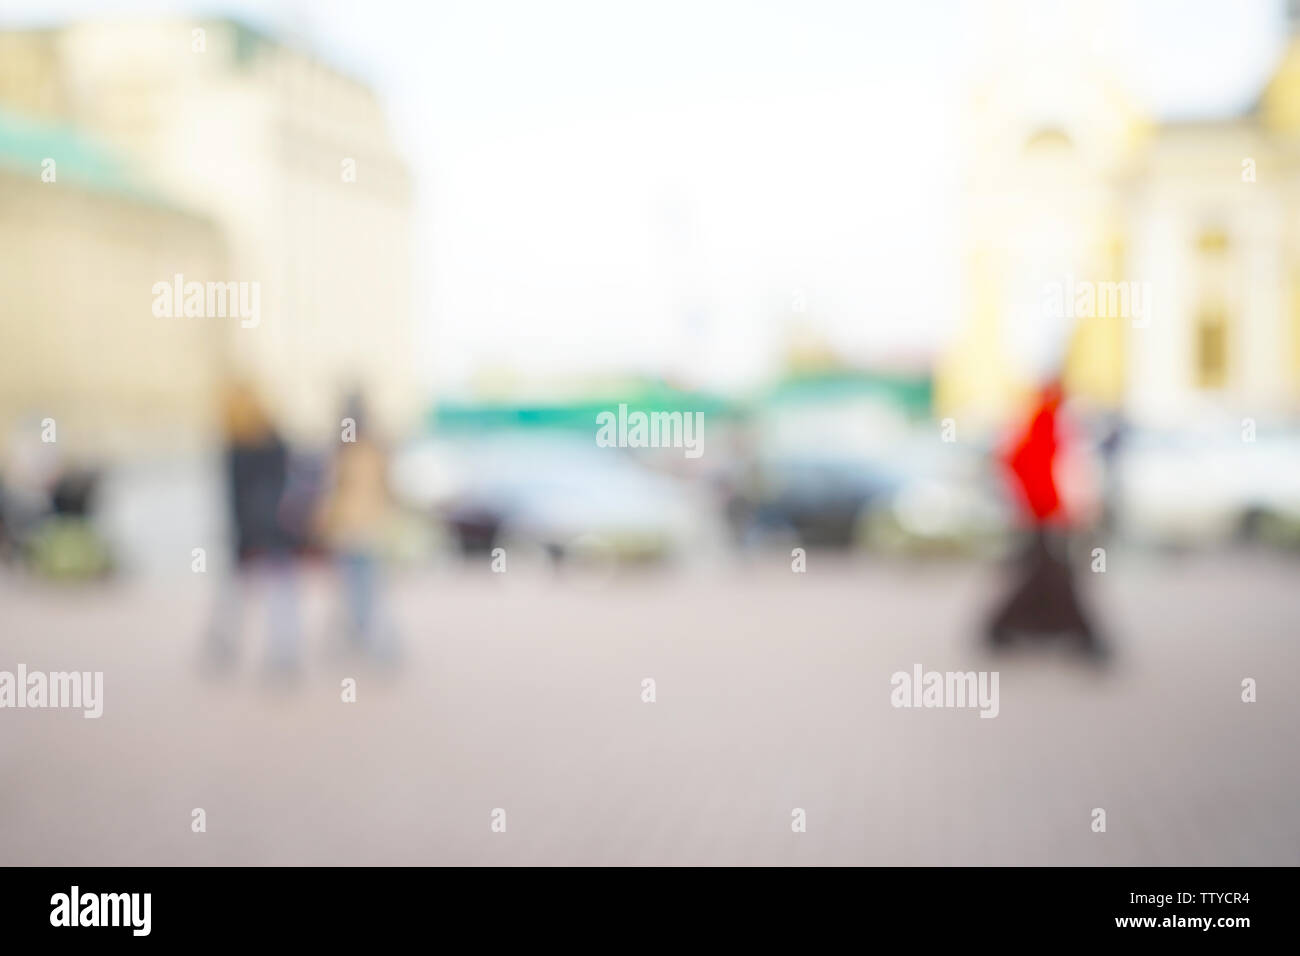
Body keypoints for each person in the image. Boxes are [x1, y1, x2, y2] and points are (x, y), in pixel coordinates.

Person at [985, 379, 1108, 660]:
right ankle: (1082, 637)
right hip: (1046, 517)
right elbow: (1044, 469)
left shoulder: (1044, 422)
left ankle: (1013, 629)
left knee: (1047, 574)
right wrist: (1057, 509)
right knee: (1053, 574)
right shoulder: (1044, 423)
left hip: (1044, 515)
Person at [206, 382, 302, 675]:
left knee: (237, 596)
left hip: (253, 533)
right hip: (277, 531)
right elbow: (289, 485)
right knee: (279, 595)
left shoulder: (236, 446)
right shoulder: (274, 440)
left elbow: (233, 499)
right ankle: (283, 655)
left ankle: (225, 648)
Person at [316, 393, 396, 660]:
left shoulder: (342, 449)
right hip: (372, 526)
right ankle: (374, 644)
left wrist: (325, 521)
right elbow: (388, 487)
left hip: (348, 528)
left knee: (351, 589)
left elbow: (332, 490)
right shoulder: (377, 447)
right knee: (372, 590)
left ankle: (362, 640)